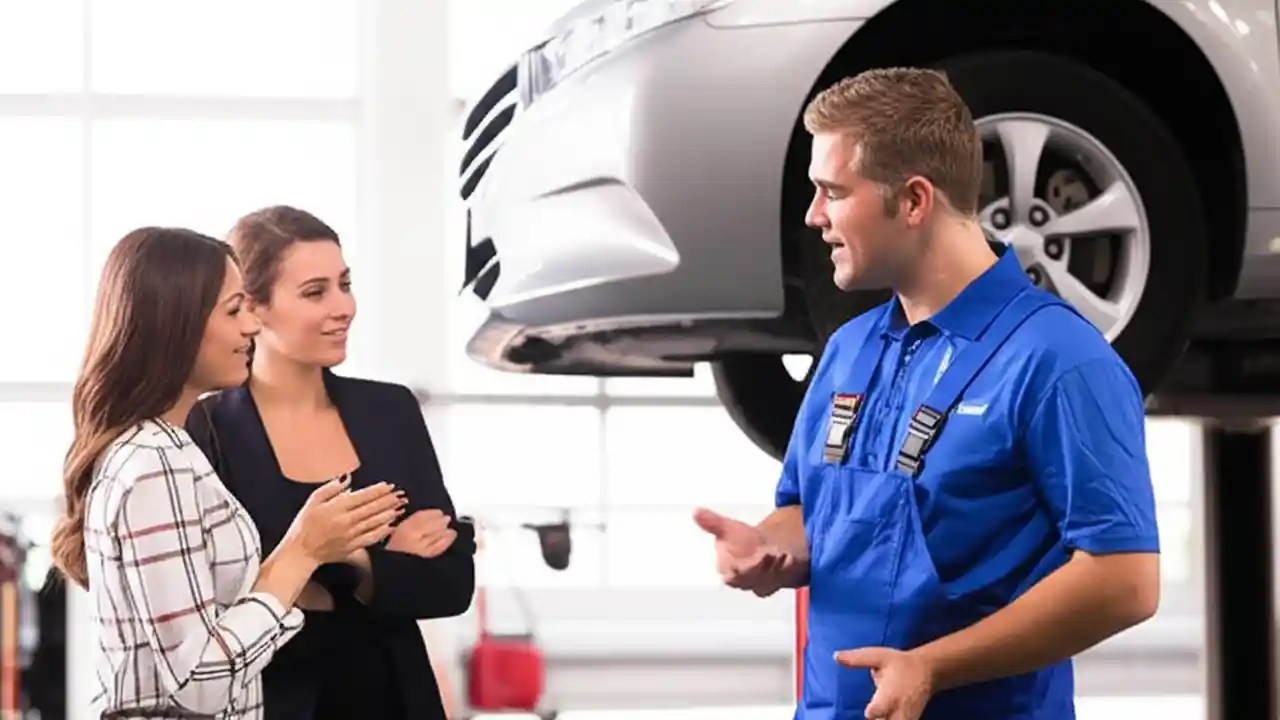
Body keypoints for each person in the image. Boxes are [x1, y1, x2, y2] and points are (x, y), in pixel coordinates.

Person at [693, 68, 1161, 719]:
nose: (813, 216)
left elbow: (1125, 581)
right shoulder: (849, 350)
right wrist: (769, 546)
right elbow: (816, 515)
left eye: (833, 192)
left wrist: (934, 667)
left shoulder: (1060, 360)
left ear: (914, 201)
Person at [49, 227, 404, 719]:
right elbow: (199, 683)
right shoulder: (155, 465)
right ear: (176, 323)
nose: (251, 327)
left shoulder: (169, 450)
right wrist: (303, 551)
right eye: (234, 310)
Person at [184, 205, 476, 720]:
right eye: (315, 292)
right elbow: (216, 602)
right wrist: (382, 563)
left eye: (345, 284)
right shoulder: (206, 428)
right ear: (253, 307)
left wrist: (330, 569)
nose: (344, 307)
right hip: (277, 705)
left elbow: (451, 583)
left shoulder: (391, 410)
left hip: (399, 702)